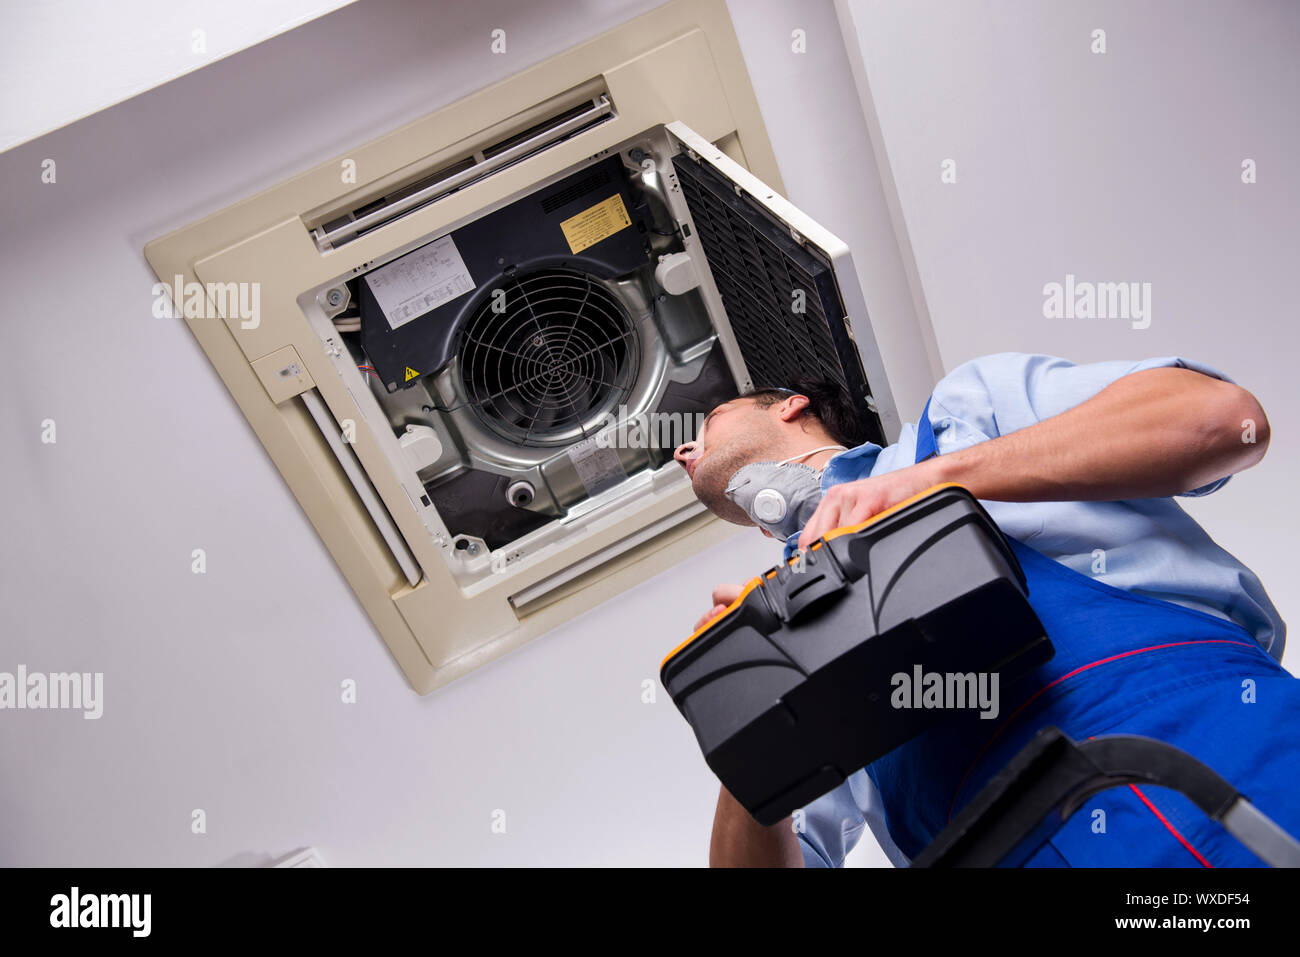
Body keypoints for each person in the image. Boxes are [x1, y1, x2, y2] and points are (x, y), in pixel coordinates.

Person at [672, 352, 1298, 867]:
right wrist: (752, 719)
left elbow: (1224, 421)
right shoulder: (778, 633)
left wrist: (930, 482)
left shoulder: (959, 419)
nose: (679, 451)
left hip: (1220, 746)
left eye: (711, 418)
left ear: (791, 404)